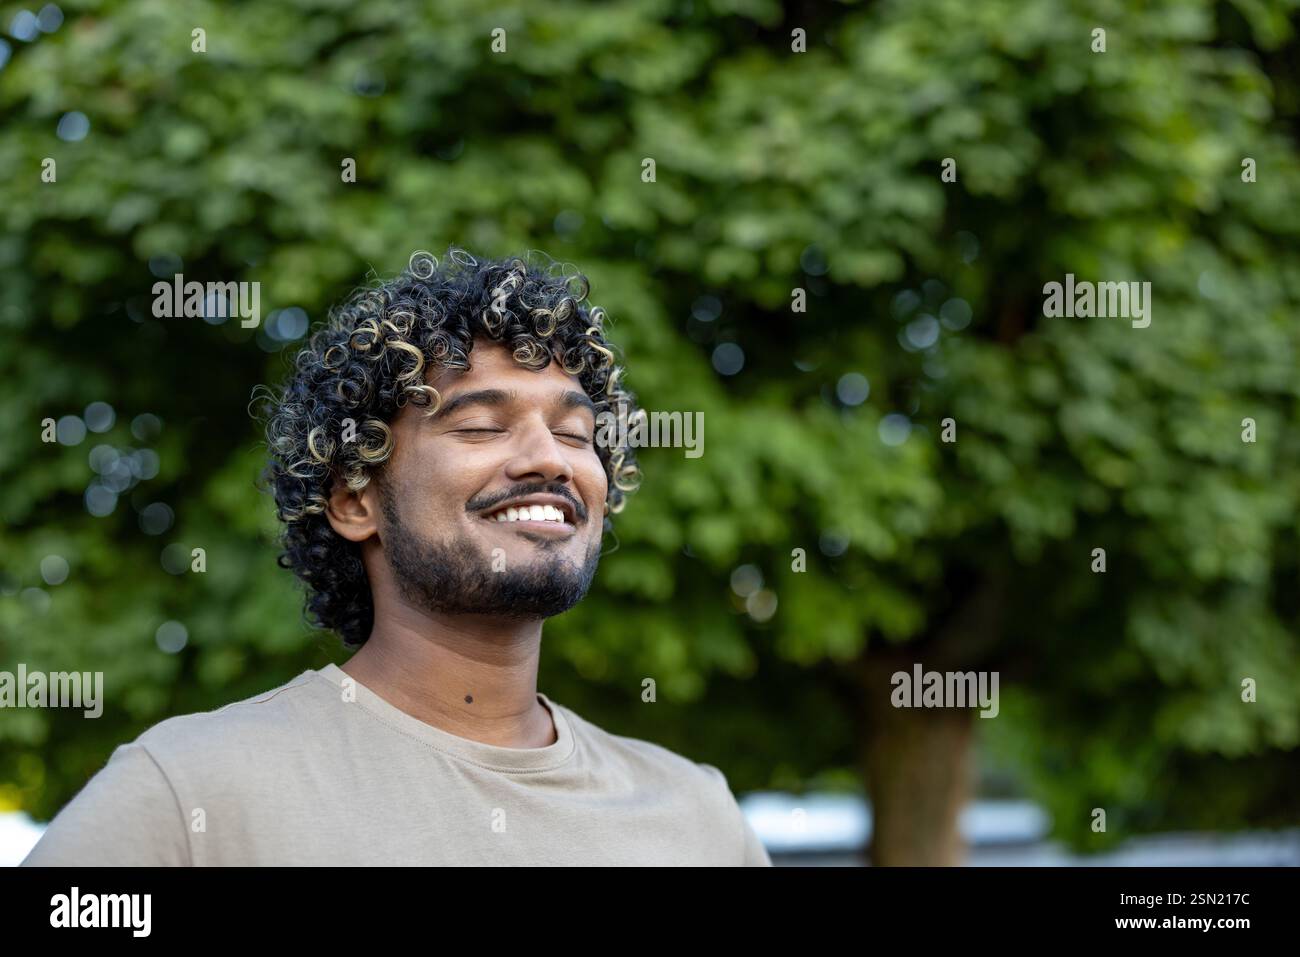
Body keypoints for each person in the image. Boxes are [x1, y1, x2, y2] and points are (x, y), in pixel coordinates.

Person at [22, 247, 772, 866]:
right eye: (481, 426)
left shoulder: (700, 820)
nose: (551, 458)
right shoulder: (188, 798)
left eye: (578, 434)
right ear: (355, 499)